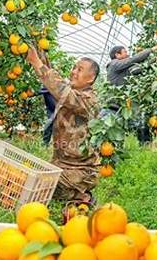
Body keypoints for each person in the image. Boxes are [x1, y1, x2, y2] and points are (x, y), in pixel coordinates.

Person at [26, 46, 100, 203]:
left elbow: (60, 89)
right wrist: (38, 50)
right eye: (74, 67)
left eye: (79, 70)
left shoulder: (89, 100)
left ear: (90, 78)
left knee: (39, 188)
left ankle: (82, 196)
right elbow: (55, 79)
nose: (73, 71)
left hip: (80, 171)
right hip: (62, 163)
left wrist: (36, 62)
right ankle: (71, 190)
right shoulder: (74, 90)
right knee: (31, 179)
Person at [105, 44, 157, 143]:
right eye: (125, 52)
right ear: (117, 55)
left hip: (122, 103)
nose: (127, 55)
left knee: (139, 122)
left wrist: (156, 59)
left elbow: (138, 69)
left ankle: (145, 145)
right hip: (114, 103)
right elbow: (133, 60)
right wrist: (151, 49)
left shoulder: (123, 69)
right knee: (109, 128)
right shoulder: (114, 64)